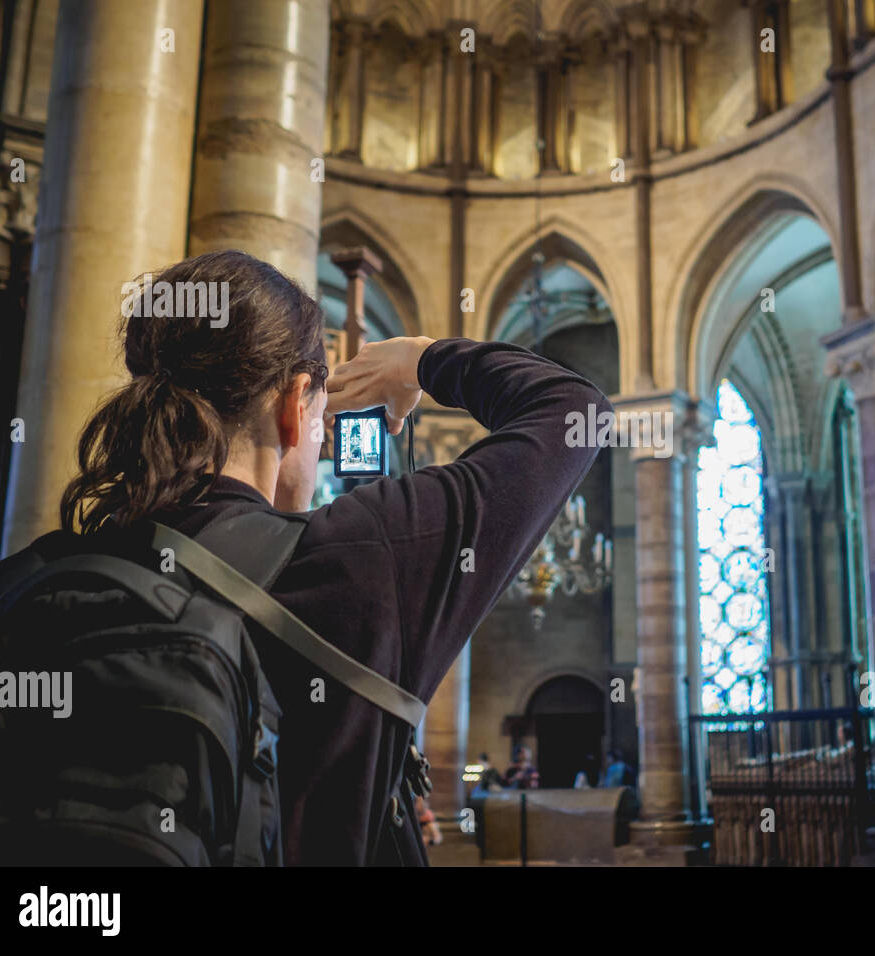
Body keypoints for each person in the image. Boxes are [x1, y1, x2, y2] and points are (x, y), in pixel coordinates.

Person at [41, 250, 609, 865]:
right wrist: (423, 357)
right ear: (293, 407)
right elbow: (575, 411)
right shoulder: (361, 555)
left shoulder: (55, 570)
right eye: (321, 415)